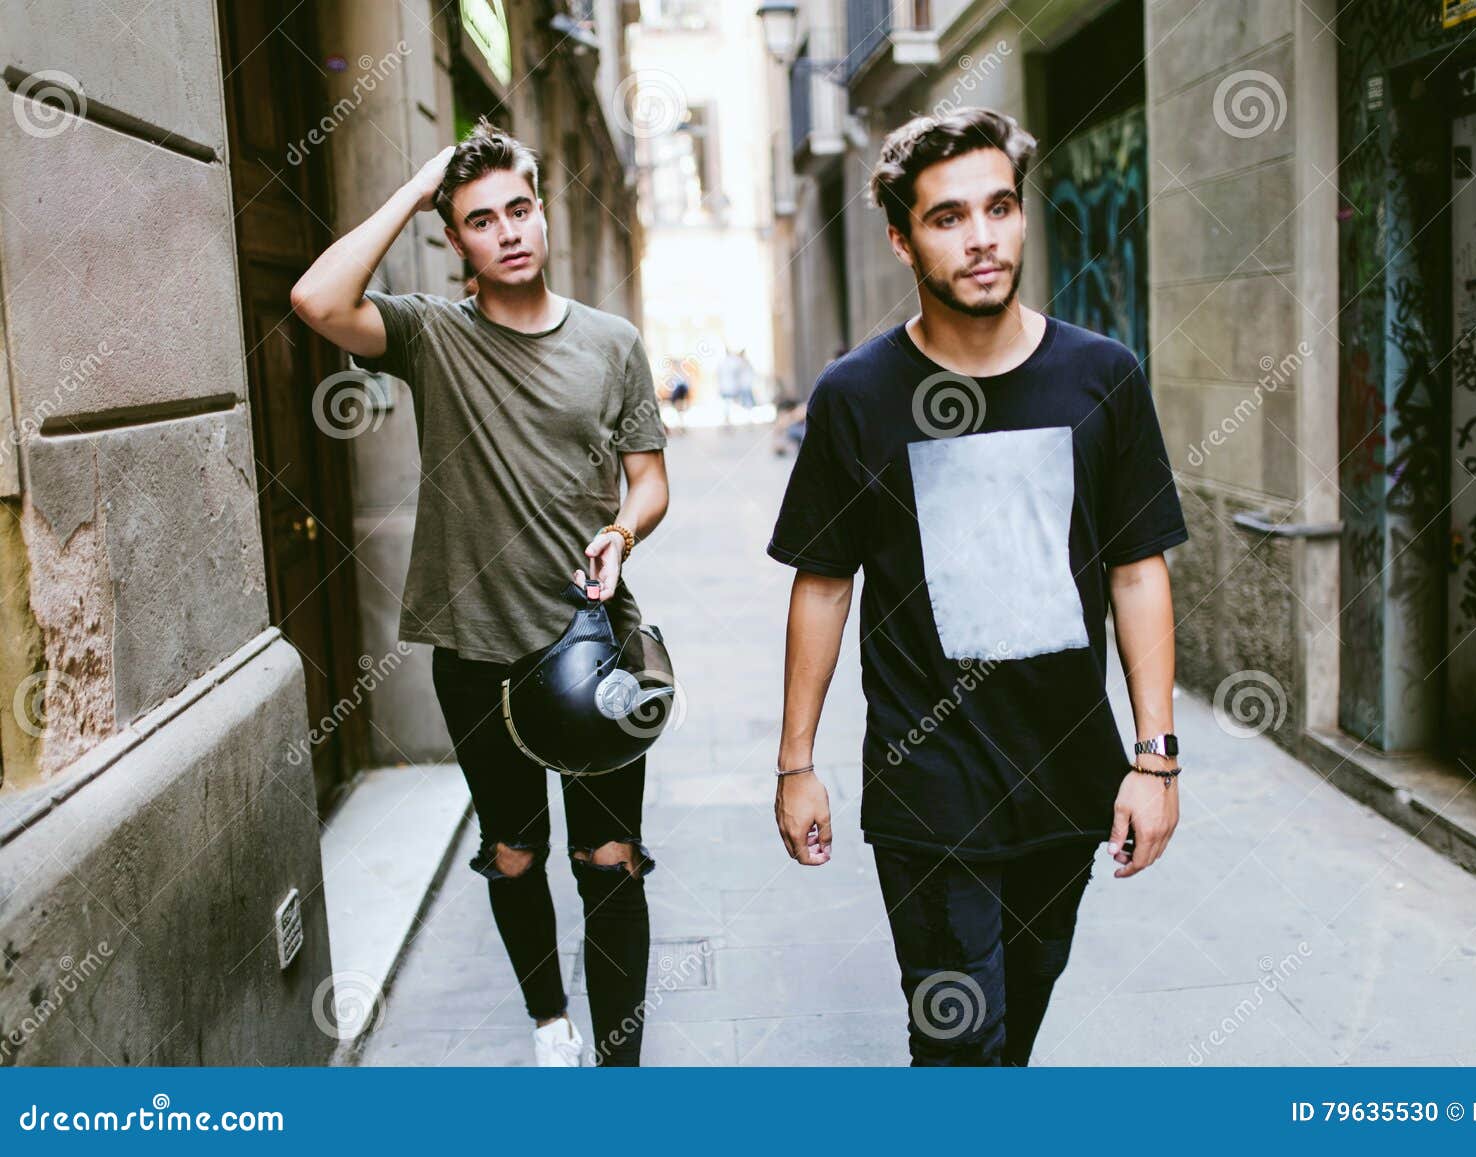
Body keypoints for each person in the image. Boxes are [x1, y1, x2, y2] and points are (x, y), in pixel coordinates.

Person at [766, 107, 1188, 1066]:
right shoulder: (856, 395)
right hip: (929, 783)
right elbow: (823, 583)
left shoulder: (1102, 376)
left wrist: (1156, 759)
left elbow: (1136, 568)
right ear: (902, 239)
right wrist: (796, 763)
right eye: (948, 217)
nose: (983, 237)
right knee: (958, 1043)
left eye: (999, 207)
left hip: (1067, 776)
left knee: (1018, 1027)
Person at [290, 119, 670, 1067]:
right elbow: (317, 299)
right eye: (481, 219)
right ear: (454, 238)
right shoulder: (430, 334)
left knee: (610, 860)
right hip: (477, 654)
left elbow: (650, 479)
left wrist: (623, 531)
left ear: (542, 213)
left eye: (520, 208)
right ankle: (550, 1025)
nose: (508, 231)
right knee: (513, 851)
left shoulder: (612, 342)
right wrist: (415, 189)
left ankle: (621, 1074)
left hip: (592, 646)